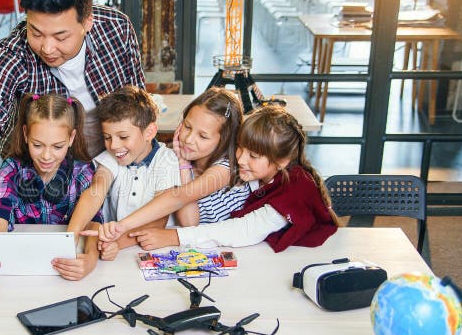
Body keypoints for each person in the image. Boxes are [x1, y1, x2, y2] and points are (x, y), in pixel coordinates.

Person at [0, 0, 145, 241]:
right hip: (45, 190)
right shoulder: (12, 54)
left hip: (114, 169)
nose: (47, 47)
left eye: (60, 37)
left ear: (87, 22)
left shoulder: (115, 30)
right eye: (36, 32)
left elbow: (138, 105)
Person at [121, 105, 338, 253]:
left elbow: (242, 231)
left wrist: (173, 237)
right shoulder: (260, 174)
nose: (241, 159)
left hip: (301, 262)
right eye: (241, 149)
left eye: (253, 155)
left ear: (281, 161)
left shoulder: (296, 187)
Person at [95, 87, 251, 251]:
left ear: (224, 141)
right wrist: (183, 164)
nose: (189, 139)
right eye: (187, 126)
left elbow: (186, 216)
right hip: (197, 244)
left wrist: (122, 226)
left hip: (232, 247)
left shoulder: (224, 170)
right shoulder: (178, 158)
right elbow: (187, 220)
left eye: (203, 136)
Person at [0, 93, 102, 281]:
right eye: (38, 145)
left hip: (64, 268)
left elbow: (94, 221)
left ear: (72, 138)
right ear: (26, 134)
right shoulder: (12, 168)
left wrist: (90, 259)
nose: (47, 156)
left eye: (57, 147)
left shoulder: (83, 171)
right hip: (21, 269)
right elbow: (0, 212)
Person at [68, 86, 180, 260]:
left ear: (149, 132)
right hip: (113, 248)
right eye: (107, 137)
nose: (113, 145)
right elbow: (95, 192)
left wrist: (117, 243)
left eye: (123, 137)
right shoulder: (111, 158)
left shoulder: (166, 160)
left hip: (152, 250)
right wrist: (70, 236)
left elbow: (159, 219)